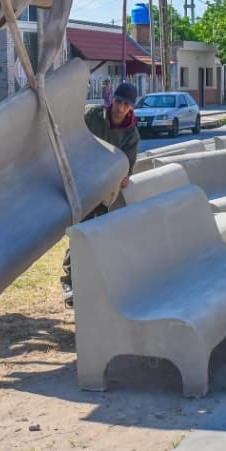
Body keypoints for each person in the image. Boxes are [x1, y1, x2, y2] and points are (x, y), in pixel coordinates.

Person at [61, 81, 140, 307]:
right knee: (79, 233)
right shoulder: (92, 116)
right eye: (118, 101)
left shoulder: (131, 134)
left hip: (107, 192)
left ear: (130, 108)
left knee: (101, 236)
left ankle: (96, 283)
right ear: (111, 100)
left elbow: (127, 166)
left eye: (126, 104)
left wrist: (123, 177)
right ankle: (69, 281)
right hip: (82, 184)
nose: (120, 107)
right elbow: (71, 134)